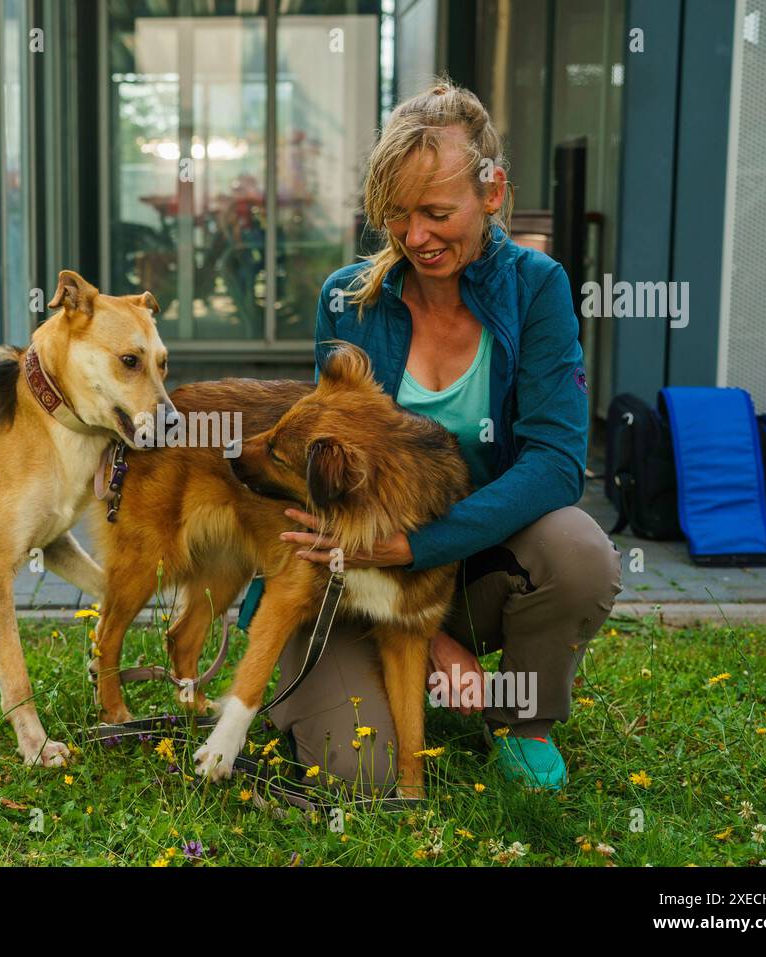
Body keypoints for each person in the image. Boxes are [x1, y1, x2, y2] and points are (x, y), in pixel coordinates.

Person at [266, 77, 622, 792]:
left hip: (459, 566)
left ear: (492, 195)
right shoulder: (348, 301)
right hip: (355, 581)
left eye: (436, 212)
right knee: (356, 772)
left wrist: (419, 549)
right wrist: (435, 640)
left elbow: (556, 464)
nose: (415, 237)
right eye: (396, 215)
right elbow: (326, 487)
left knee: (579, 552)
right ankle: (345, 675)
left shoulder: (538, 287)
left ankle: (521, 719)